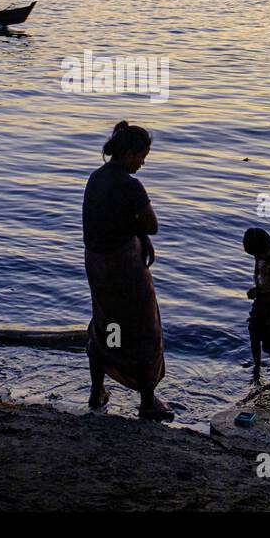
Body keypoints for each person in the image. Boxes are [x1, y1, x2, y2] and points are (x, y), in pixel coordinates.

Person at [81, 121, 172, 420]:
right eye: (142, 156)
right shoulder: (130, 185)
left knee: (105, 324)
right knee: (144, 328)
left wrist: (139, 236)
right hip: (123, 268)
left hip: (96, 264)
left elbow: (106, 221)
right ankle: (147, 401)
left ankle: (97, 391)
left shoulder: (96, 178)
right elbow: (152, 225)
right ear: (130, 153)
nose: (143, 163)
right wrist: (142, 234)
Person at [243, 227, 270, 380]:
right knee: (254, 334)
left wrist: (262, 292)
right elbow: (257, 272)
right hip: (259, 304)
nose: (257, 258)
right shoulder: (259, 256)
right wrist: (256, 288)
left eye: (258, 254)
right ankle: (256, 366)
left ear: (267, 247)